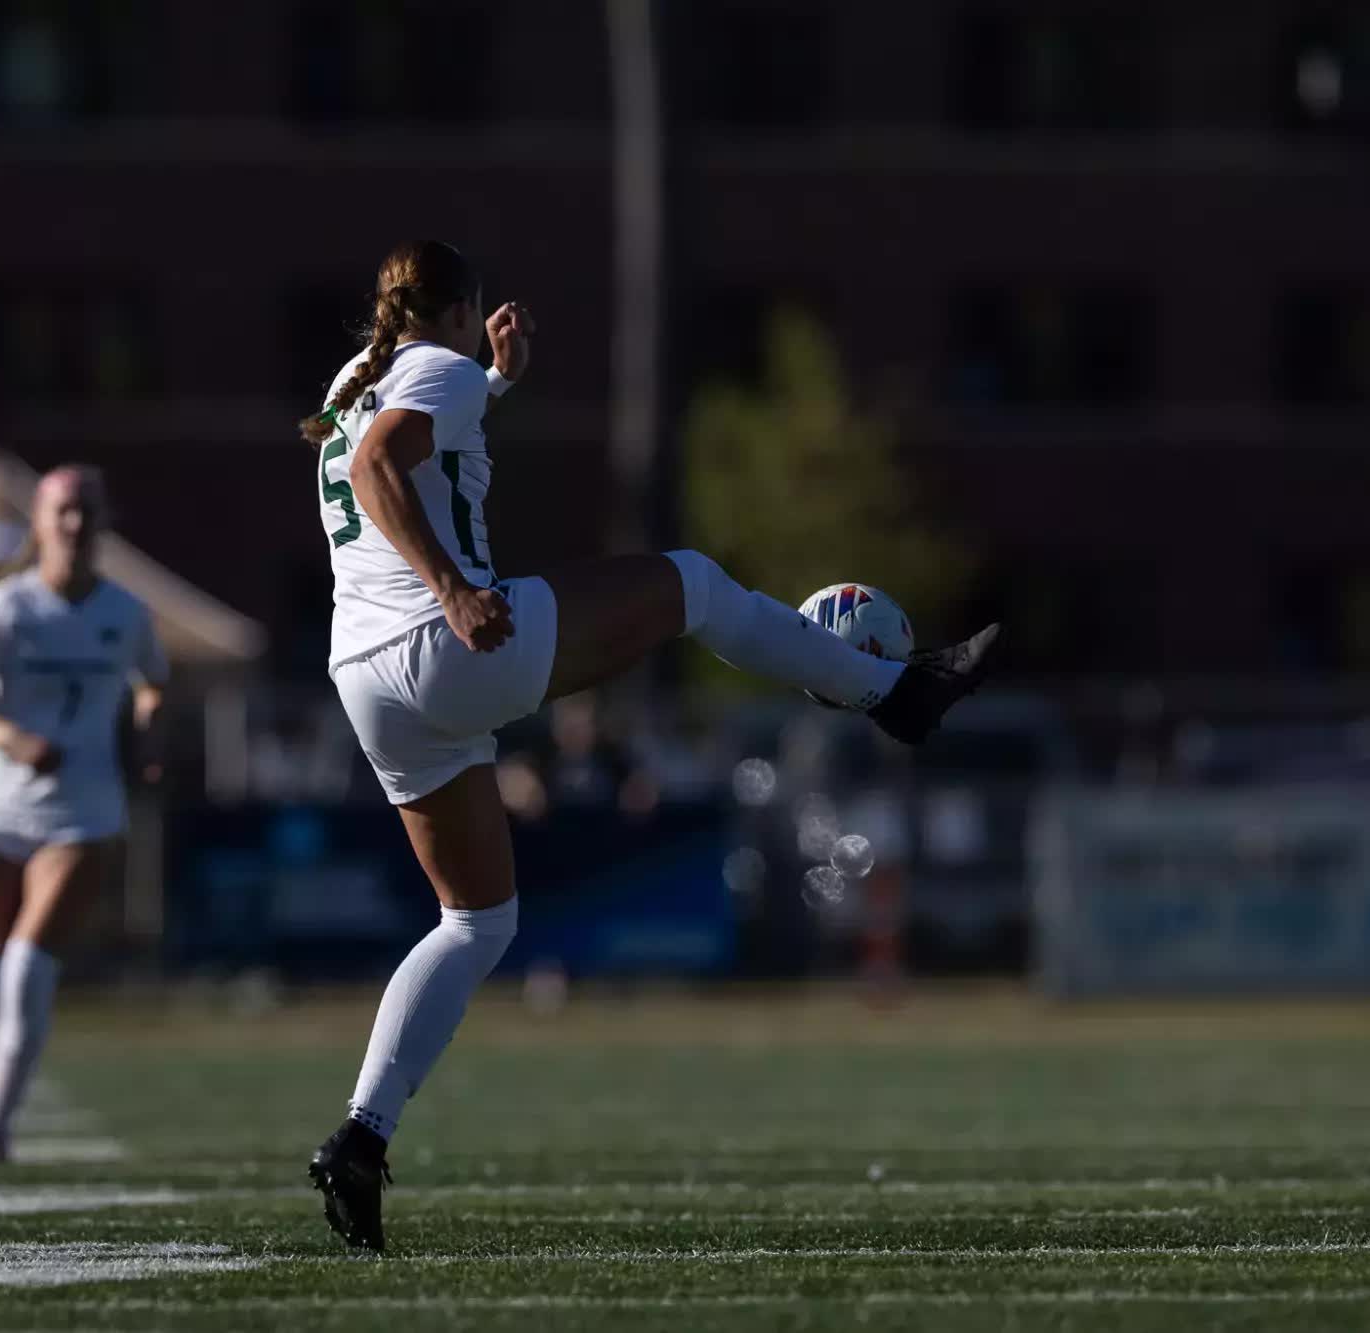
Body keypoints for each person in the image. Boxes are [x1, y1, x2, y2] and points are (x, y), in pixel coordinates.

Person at [300, 239, 999, 1251]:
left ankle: (360, 1138)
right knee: (694, 585)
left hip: (364, 680)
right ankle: (901, 690)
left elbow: (382, 442)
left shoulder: (357, 378)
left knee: (476, 921)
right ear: (458, 311)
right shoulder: (436, 370)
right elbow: (380, 467)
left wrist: (492, 380)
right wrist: (453, 591)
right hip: (445, 643)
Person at [0, 465, 167, 1164]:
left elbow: (153, 683)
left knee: (26, 973)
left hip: (83, 812)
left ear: (102, 522)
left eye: (86, 511)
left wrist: (150, 732)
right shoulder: (8, 607)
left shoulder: (127, 613)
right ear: (37, 523)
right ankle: (17, 1060)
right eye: (61, 510)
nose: (73, 523)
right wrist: (9, 737)